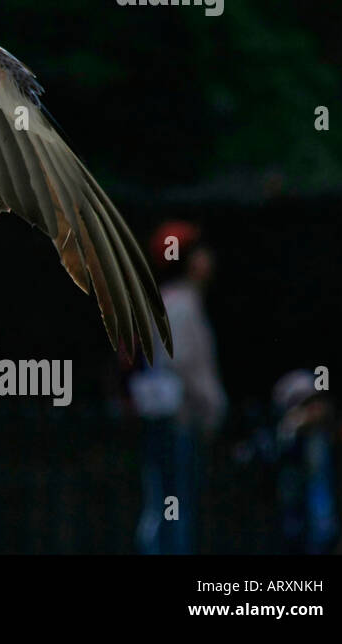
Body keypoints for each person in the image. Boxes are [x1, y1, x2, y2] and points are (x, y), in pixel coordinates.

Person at [131, 220, 227, 554]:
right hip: (181, 422)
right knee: (175, 508)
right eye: (200, 253)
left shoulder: (166, 302)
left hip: (167, 420)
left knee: (162, 503)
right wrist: (213, 408)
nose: (208, 259)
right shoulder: (182, 306)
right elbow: (184, 365)